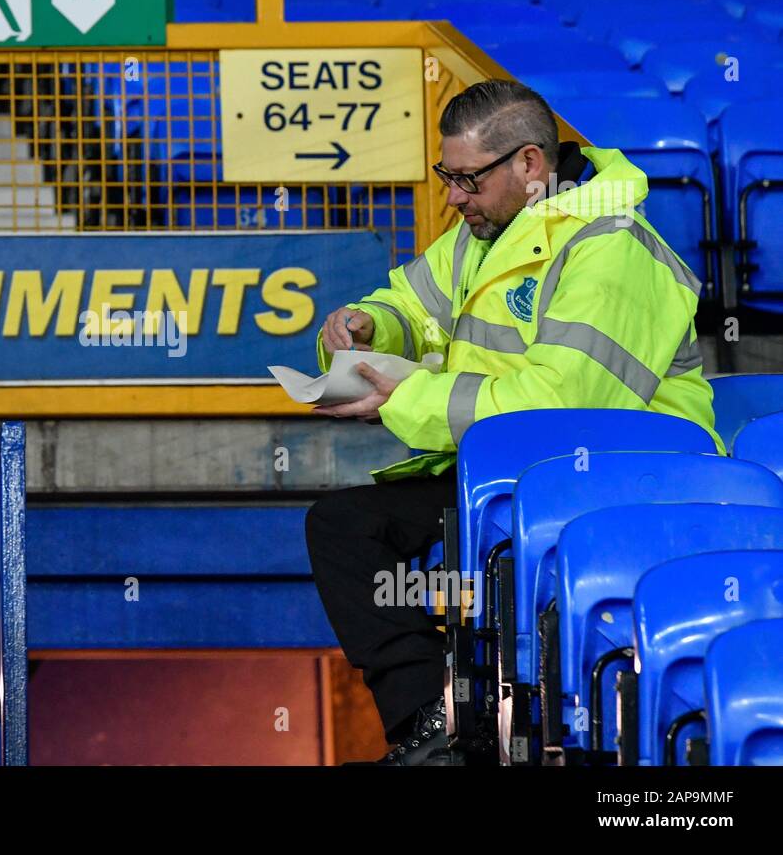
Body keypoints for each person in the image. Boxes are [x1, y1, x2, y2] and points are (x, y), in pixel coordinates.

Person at [303, 80, 722, 765]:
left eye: (466, 179)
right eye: (447, 176)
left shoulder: (614, 248)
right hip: (503, 480)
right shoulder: (483, 234)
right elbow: (409, 305)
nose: (451, 198)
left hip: (613, 486)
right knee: (345, 528)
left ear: (529, 166)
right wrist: (363, 327)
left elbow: (561, 411)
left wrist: (402, 399)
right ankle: (433, 725)